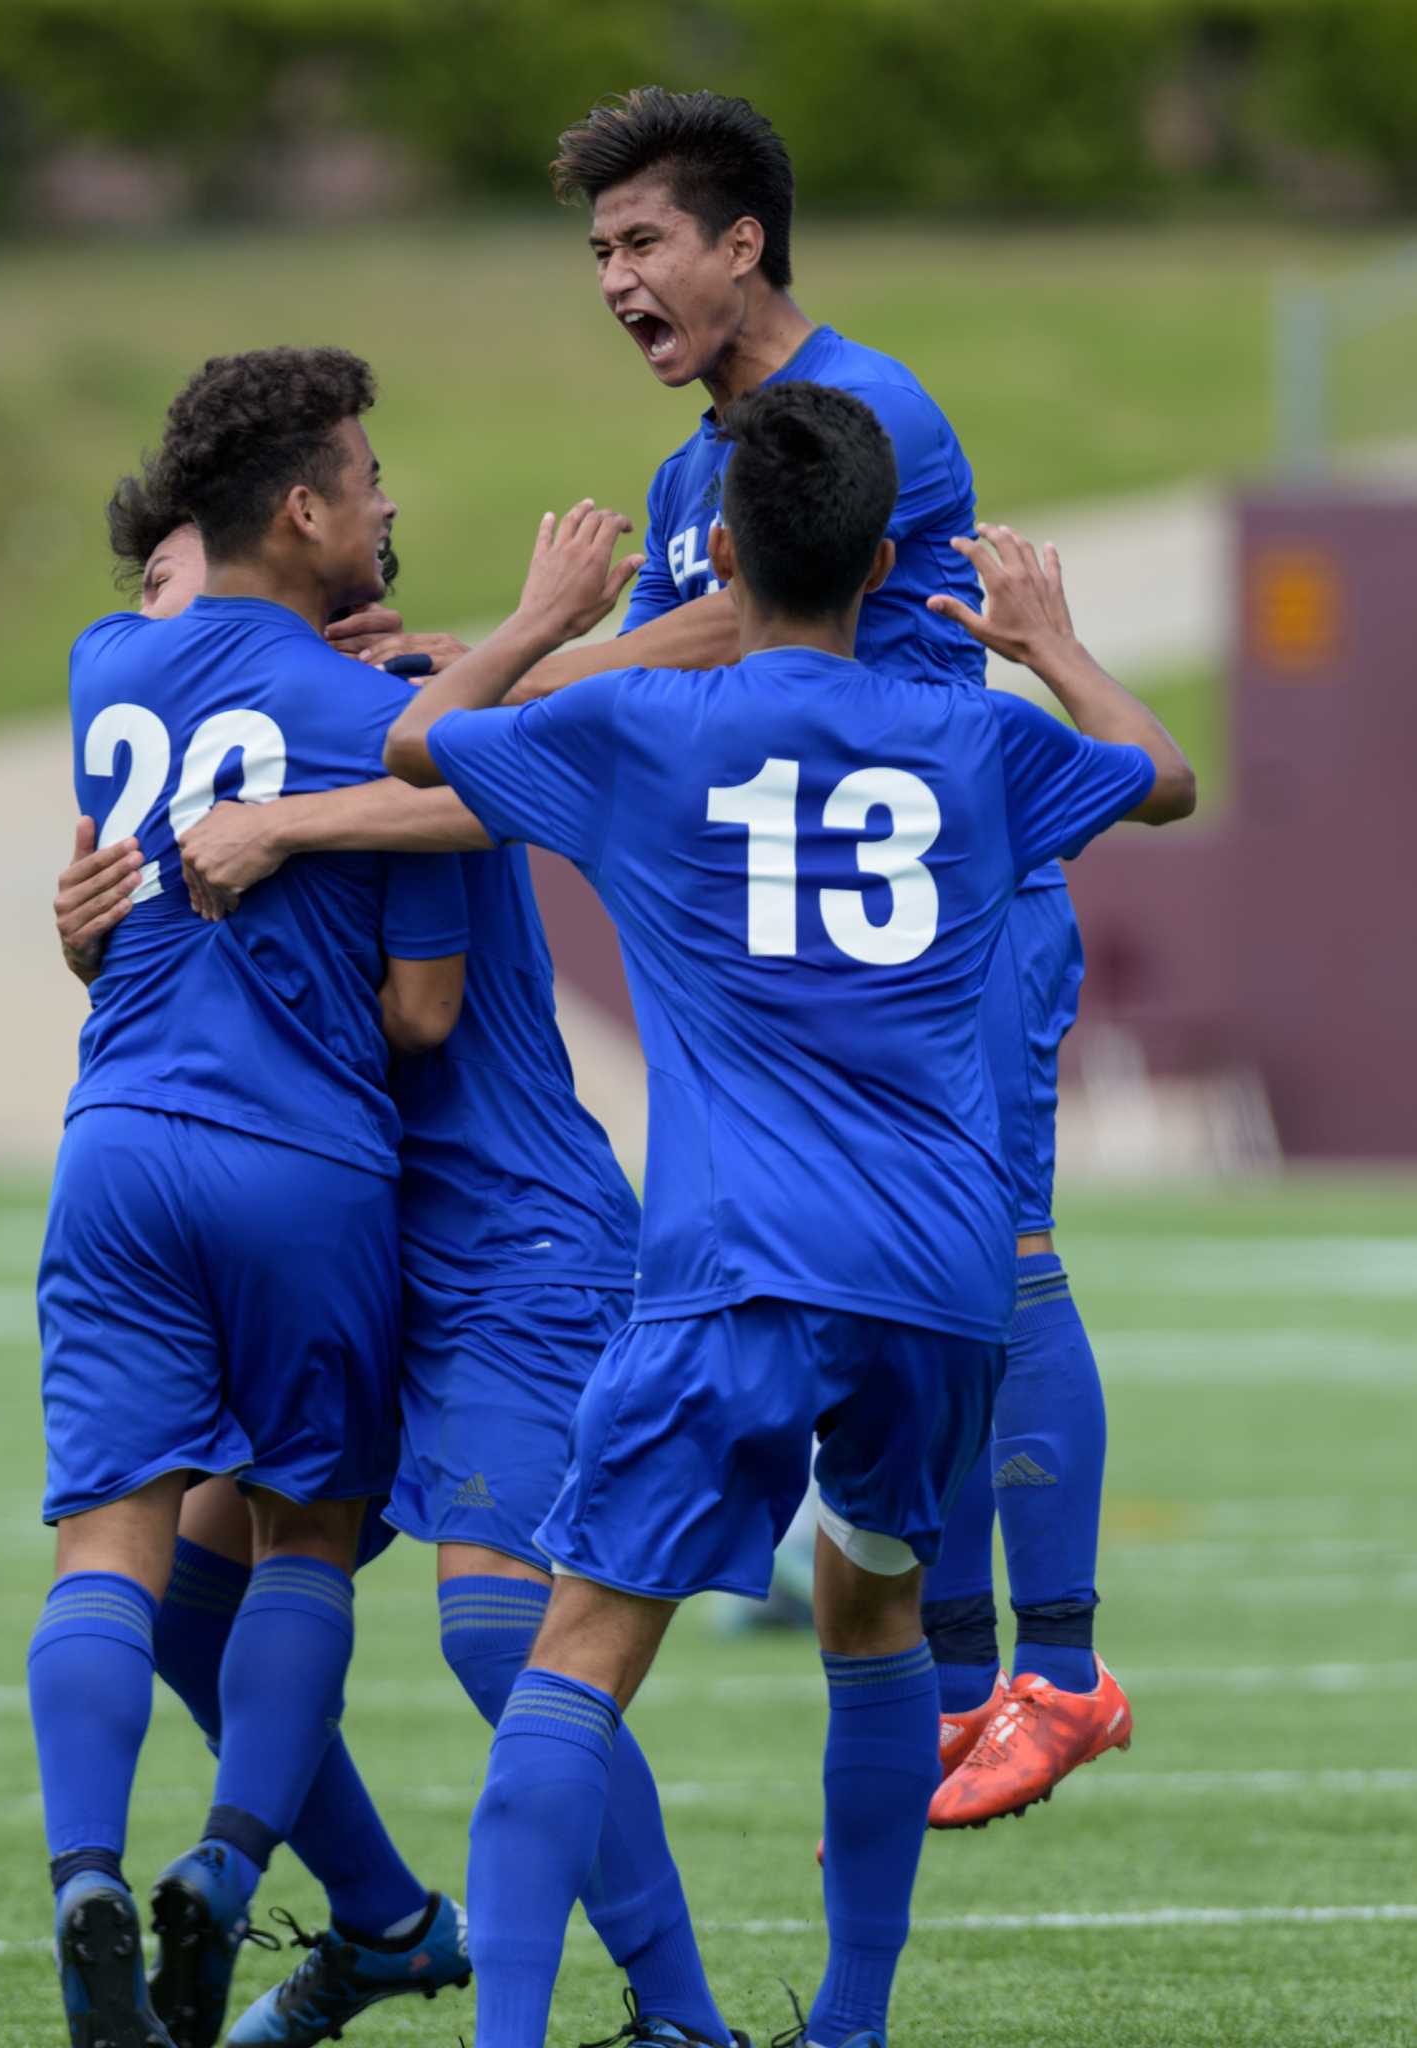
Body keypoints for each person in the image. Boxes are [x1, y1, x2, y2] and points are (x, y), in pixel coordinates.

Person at [380, 382, 1195, 2048]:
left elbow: (416, 744)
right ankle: (848, 2026)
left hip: (731, 1269)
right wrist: (1048, 642)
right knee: (875, 1618)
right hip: (937, 1281)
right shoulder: (977, 740)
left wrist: (543, 623)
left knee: (579, 1648)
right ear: (885, 561)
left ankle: (510, 2034)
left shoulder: (642, 728)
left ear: (727, 559)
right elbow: (1163, 777)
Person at [365, 82, 1133, 1823]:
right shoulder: (680, 472)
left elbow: (696, 642)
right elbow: (635, 690)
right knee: (913, 1295)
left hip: (945, 920)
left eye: (642, 241)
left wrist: (488, 666)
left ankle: (1062, 1671)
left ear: (741, 242)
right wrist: (460, 689)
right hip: (809, 939)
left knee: (1000, 1255)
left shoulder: (867, 411)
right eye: (597, 252)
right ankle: (959, 1684)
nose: (615, 281)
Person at [56, 499, 742, 2048]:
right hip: (350, 1247)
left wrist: (489, 664)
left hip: (505, 1237)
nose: (156, 621)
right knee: (191, 1607)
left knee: (499, 1634)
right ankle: (378, 1926)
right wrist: (103, 944)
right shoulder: (223, 767)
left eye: (169, 585)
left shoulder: (405, 733)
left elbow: (420, 1000)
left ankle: (680, 2014)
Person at [33, 344, 474, 2048]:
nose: (384, 505)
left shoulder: (104, 667)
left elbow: (107, 895)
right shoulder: (381, 726)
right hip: (303, 1163)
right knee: (302, 1539)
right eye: (366, 481)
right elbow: (422, 1015)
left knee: (108, 1544)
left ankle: (83, 1871)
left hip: (116, 1146)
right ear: (300, 511)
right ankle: (222, 1866)